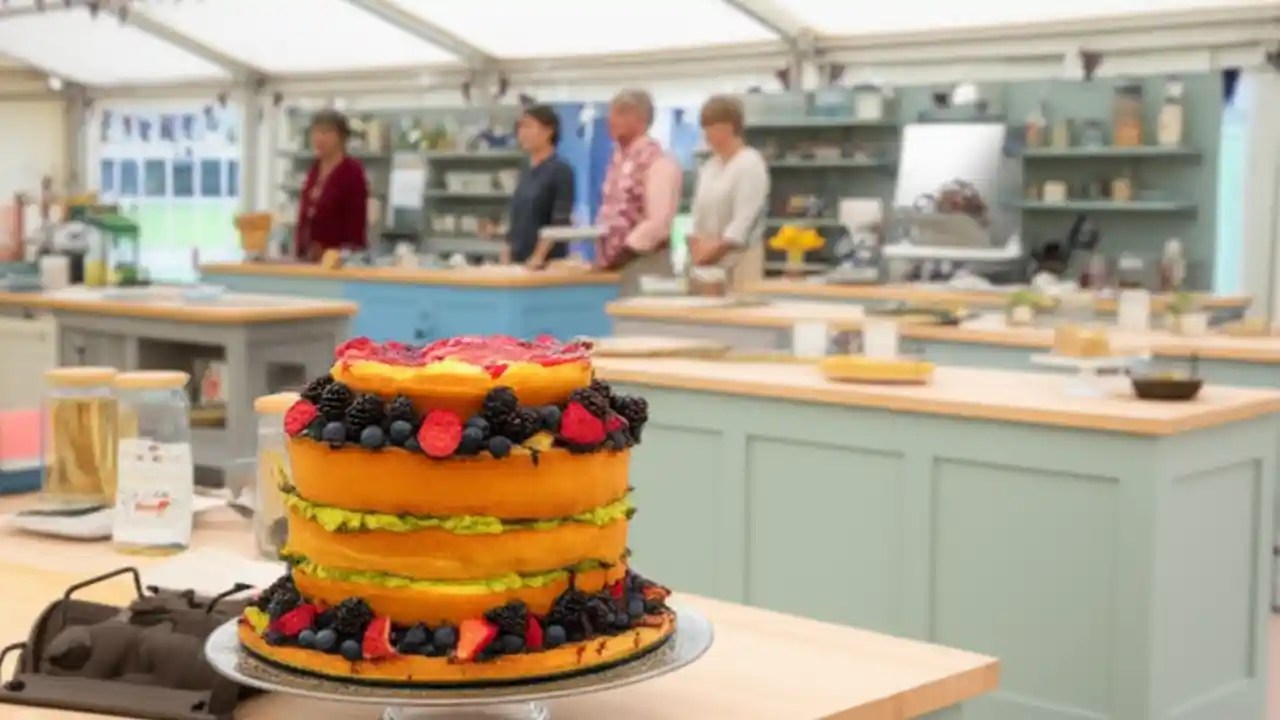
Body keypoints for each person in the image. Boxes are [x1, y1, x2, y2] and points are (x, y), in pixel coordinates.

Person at [594, 89, 682, 294]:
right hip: (614, 268)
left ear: (641, 119)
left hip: (646, 266)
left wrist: (622, 254)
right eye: (611, 113)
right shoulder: (617, 159)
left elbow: (658, 223)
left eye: (620, 113)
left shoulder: (659, 161)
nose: (610, 119)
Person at [687, 95, 770, 291]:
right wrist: (697, 247)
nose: (706, 134)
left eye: (712, 127)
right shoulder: (709, 167)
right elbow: (697, 214)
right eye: (704, 128)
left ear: (730, 126)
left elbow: (743, 222)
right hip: (706, 266)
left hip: (740, 262)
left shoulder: (750, 163)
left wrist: (715, 251)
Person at [504, 104, 575, 268]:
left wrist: (538, 257)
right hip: (518, 260)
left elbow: (560, 220)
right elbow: (516, 216)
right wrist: (507, 254)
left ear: (548, 131)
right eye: (520, 127)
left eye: (528, 126)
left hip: (546, 264)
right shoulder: (524, 169)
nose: (522, 133)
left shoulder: (560, 170)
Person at [295, 109, 368, 261]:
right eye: (316, 132)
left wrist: (338, 255)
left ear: (341, 137)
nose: (319, 138)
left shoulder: (352, 173)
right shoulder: (314, 171)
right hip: (307, 260)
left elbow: (356, 226)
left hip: (338, 261)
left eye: (326, 132)